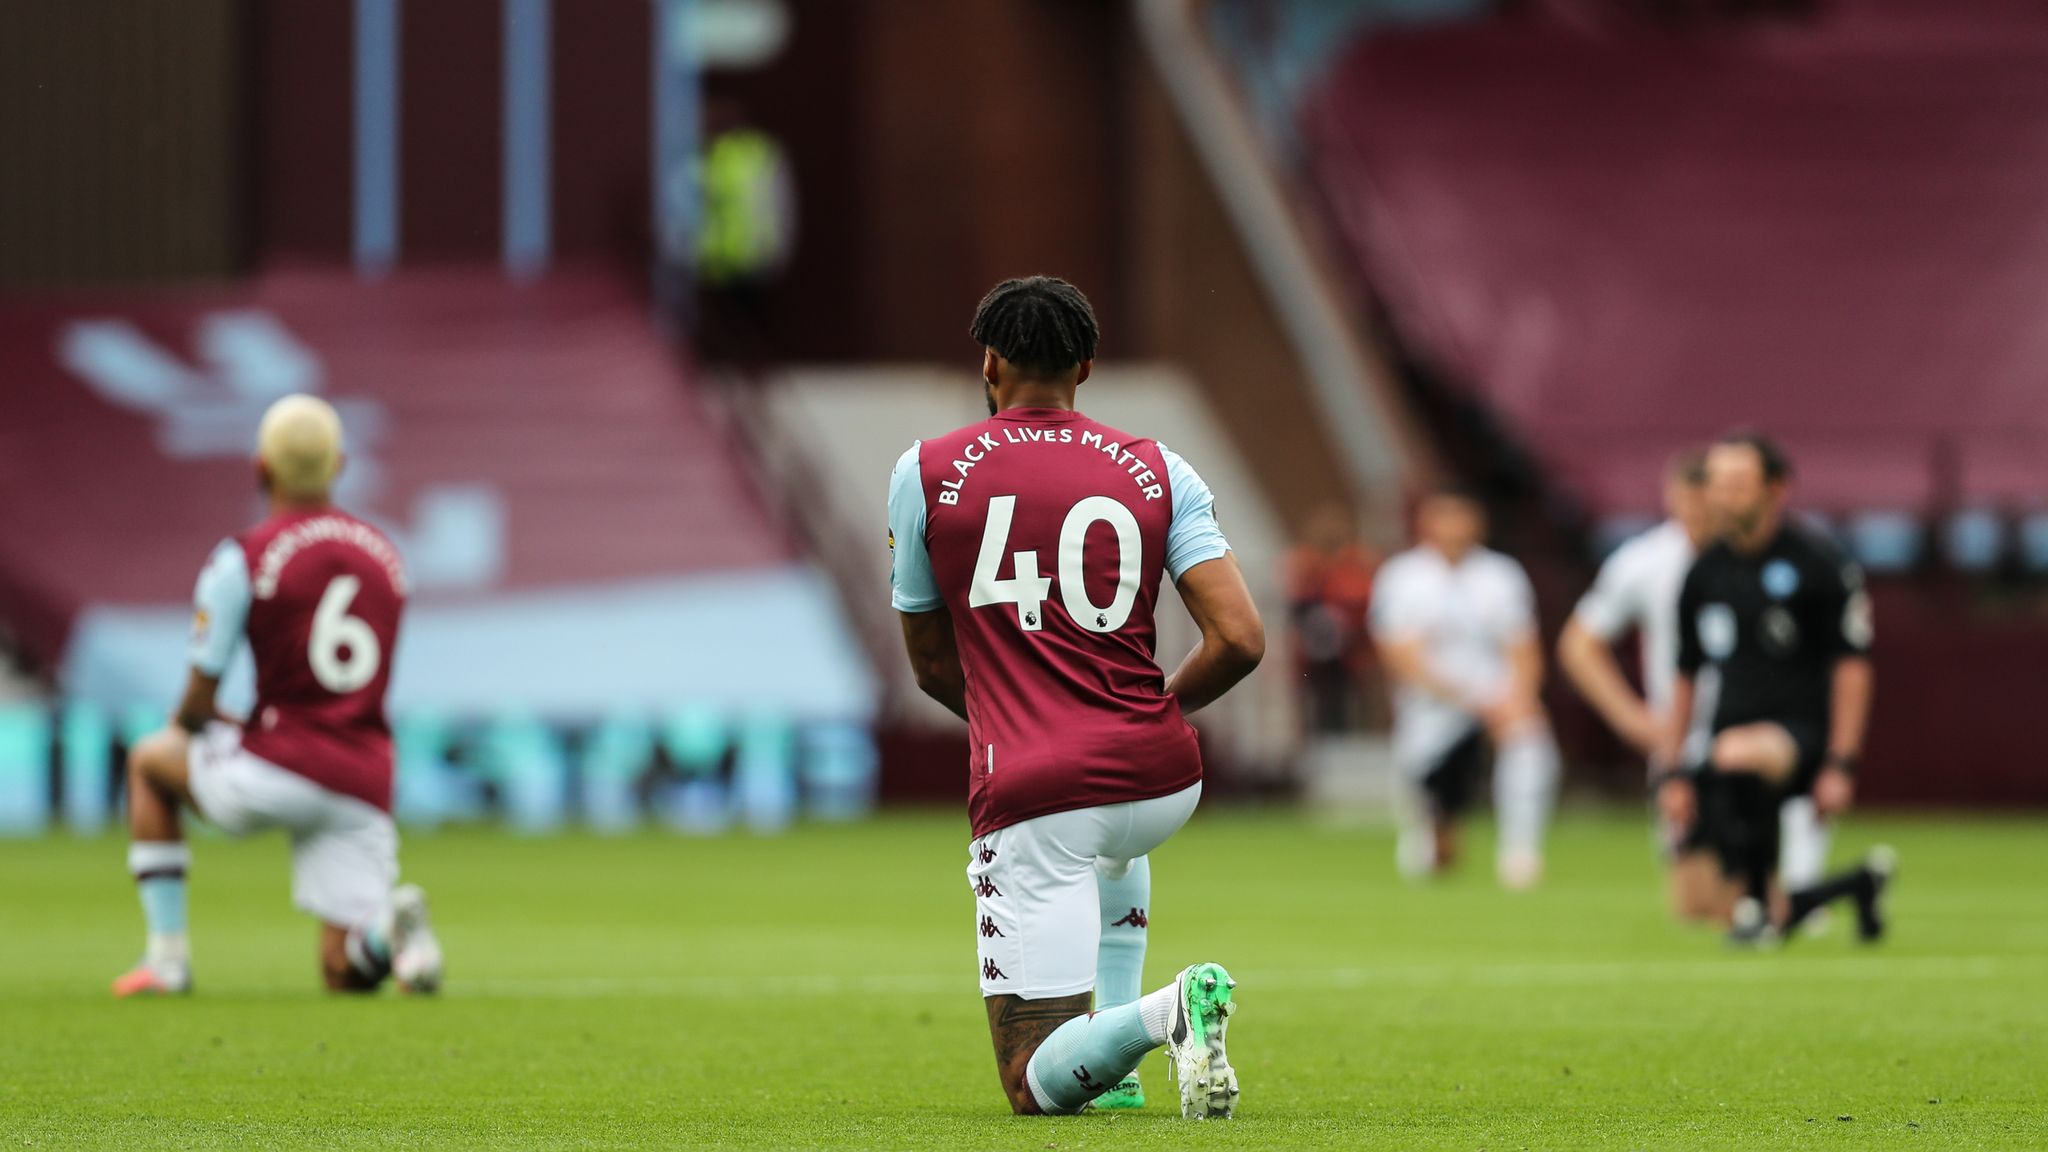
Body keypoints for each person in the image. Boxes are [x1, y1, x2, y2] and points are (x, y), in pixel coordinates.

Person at [888, 277, 1264, 1118]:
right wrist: (1151, 707)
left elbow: (927, 659)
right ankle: (1123, 1072)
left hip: (1042, 793)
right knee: (1114, 844)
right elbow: (1241, 639)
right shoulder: (1160, 466)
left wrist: (1022, 728)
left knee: (1033, 1081)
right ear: (1087, 367)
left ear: (988, 363)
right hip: (1163, 780)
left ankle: (1163, 1012)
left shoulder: (926, 470)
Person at [114, 394, 441, 997]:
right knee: (344, 973)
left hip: (276, 769)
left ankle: (166, 961)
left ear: (260, 467)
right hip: (362, 780)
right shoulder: (388, 556)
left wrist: (208, 724)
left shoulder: (241, 559)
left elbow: (194, 702)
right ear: (339, 464)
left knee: (151, 761)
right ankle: (383, 931)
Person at [1562, 451, 1837, 925]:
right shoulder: (1647, 561)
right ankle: (1849, 888)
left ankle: (1795, 908)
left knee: (1766, 893)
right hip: (1686, 743)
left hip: (1761, 736)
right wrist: (1636, 721)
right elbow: (1579, 645)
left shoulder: (1778, 559)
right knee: (1695, 907)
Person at [1659, 431, 1893, 946]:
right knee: (1696, 905)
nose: (1725, 496)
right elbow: (1685, 675)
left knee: (1738, 756)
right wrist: (1672, 769)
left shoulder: (1819, 564)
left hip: (1798, 736)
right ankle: (1858, 884)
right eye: (1718, 483)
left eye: (1739, 483)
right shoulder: (1703, 572)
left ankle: (1759, 905)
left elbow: (1852, 667)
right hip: (1723, 745)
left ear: (1777, 488)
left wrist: (1841, 761)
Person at [1370, 484, 1559, 889]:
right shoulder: (1403, 576)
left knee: (1530, 740)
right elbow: (1402, 654)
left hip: (1495, 691)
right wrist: (1469, 698)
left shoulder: (1501, 574)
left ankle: (1520, 852)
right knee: (1425, 833)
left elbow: (1523, 646)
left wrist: (1520, 696)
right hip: (1431, 702)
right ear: (1427, 523)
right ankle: (1431, 838)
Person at [1285, 503, 1380, 734]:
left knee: (1353, 699)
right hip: (1315, 650)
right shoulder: (1305, 562)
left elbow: (1367, 602)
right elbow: (1297, 605)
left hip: (1351, 649)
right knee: (1319, 699)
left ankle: (1358, 735)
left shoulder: (1357, 563)